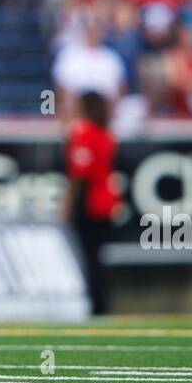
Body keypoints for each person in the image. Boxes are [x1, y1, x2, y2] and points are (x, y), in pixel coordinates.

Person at [62, 91, 120, 316]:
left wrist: (68, 203)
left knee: (89, 257)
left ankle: (96, 306)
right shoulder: (107, 134)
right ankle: (101, 304)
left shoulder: (84, 134)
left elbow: (79, 173)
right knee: (98, 257)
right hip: (107, 201)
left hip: (90, 203)